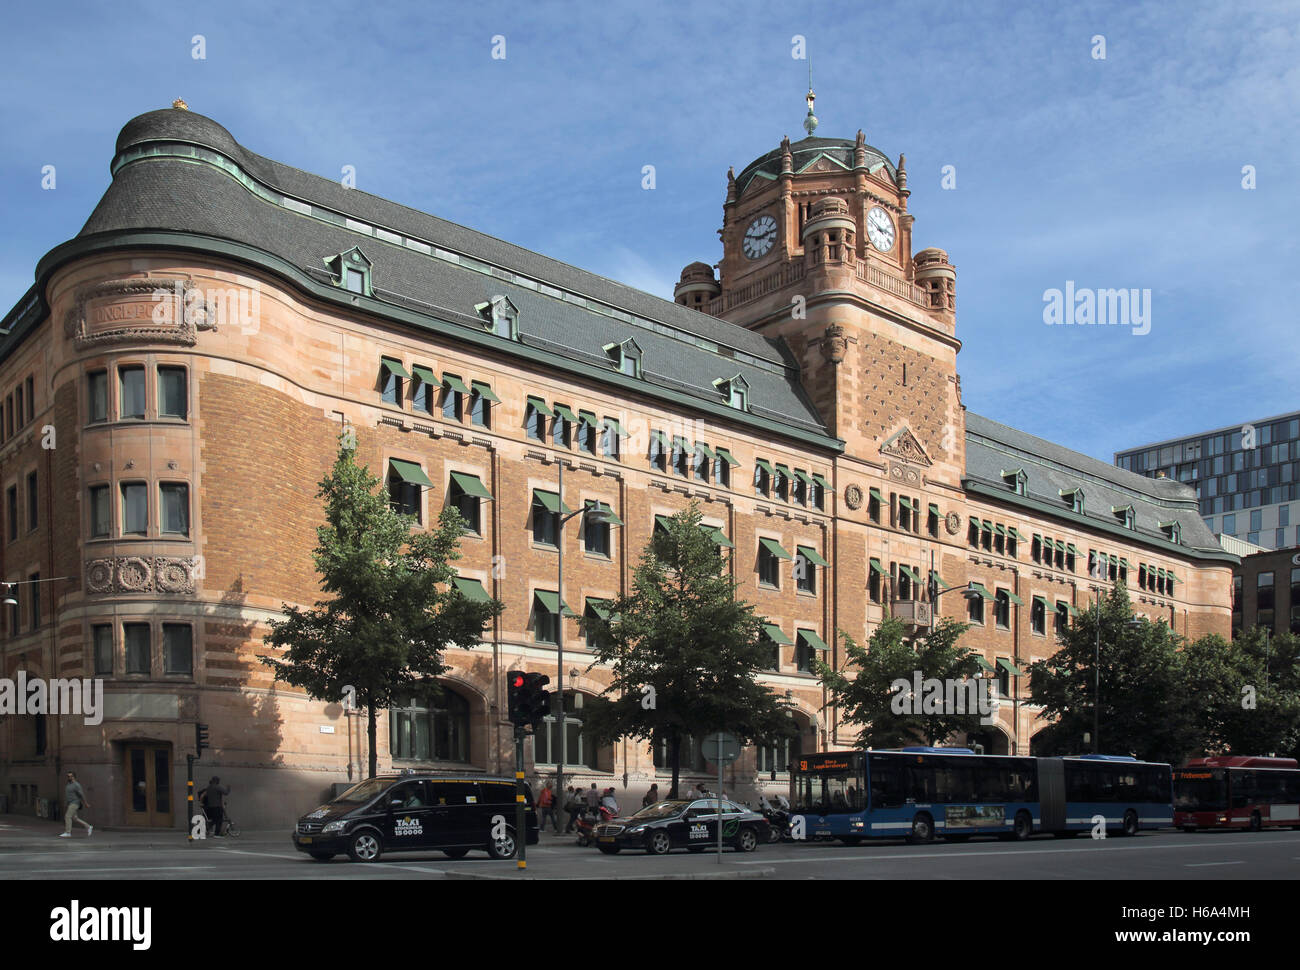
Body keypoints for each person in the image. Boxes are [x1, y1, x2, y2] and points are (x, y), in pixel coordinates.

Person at [61, 771, 92, 838]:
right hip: (70, 803)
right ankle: (88, 826)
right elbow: (68, 795)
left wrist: (86, 803)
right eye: (68, 776)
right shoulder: (68, 784)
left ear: (74, 777)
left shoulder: (76, 785)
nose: (69, 777)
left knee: (67, 816)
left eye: (70, 776)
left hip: (75, 803)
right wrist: (66, 803)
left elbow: (81, 795)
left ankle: (68, 832)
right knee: (75, 818)